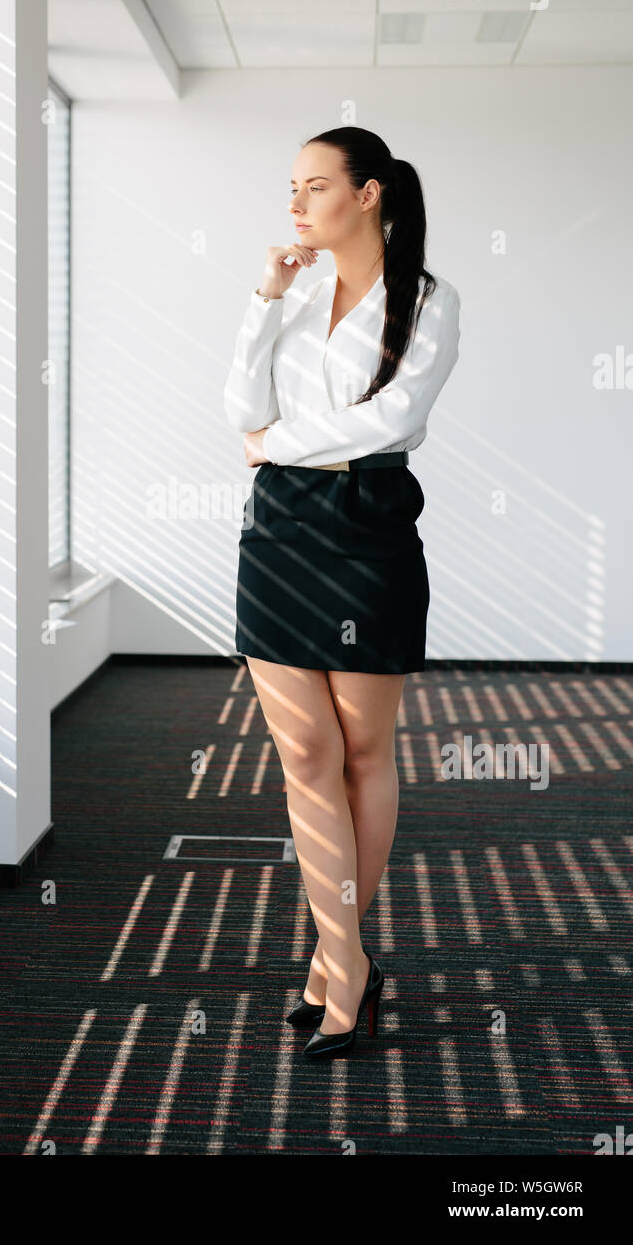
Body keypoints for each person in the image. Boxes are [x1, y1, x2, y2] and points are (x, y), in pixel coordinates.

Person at [223, 126, 461, 1061]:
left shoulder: (430, 301)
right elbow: (242, 409)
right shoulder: (293, 292)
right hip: (280, 534)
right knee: (306, 754)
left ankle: (334, 966)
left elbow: (393, 418)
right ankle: (351, 963)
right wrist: (262, 301)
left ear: (367, 196)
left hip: (367, 531)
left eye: (315, 185)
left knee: (365, 752)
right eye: (291, 186)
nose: (296, 203)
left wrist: (281, 442)